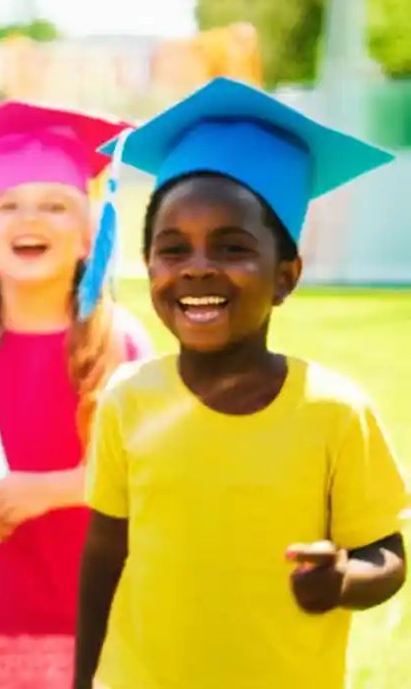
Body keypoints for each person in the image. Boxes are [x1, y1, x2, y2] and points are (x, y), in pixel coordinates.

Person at [75, 77, 408, 689]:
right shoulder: (127, 399)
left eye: (231, 247)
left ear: (285, 277)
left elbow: (387, 555)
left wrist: (344, 579)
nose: (198, 266)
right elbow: (103, 555)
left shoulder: (335, 411)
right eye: (172, 249)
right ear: (149, 267)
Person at [0, 101, 151, 688]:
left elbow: (144, 469)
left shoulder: (118, 344)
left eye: (55, 205)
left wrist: (47, 490)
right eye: (9, 205)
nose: (31, 219)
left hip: (94, 600)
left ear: (89, 234)